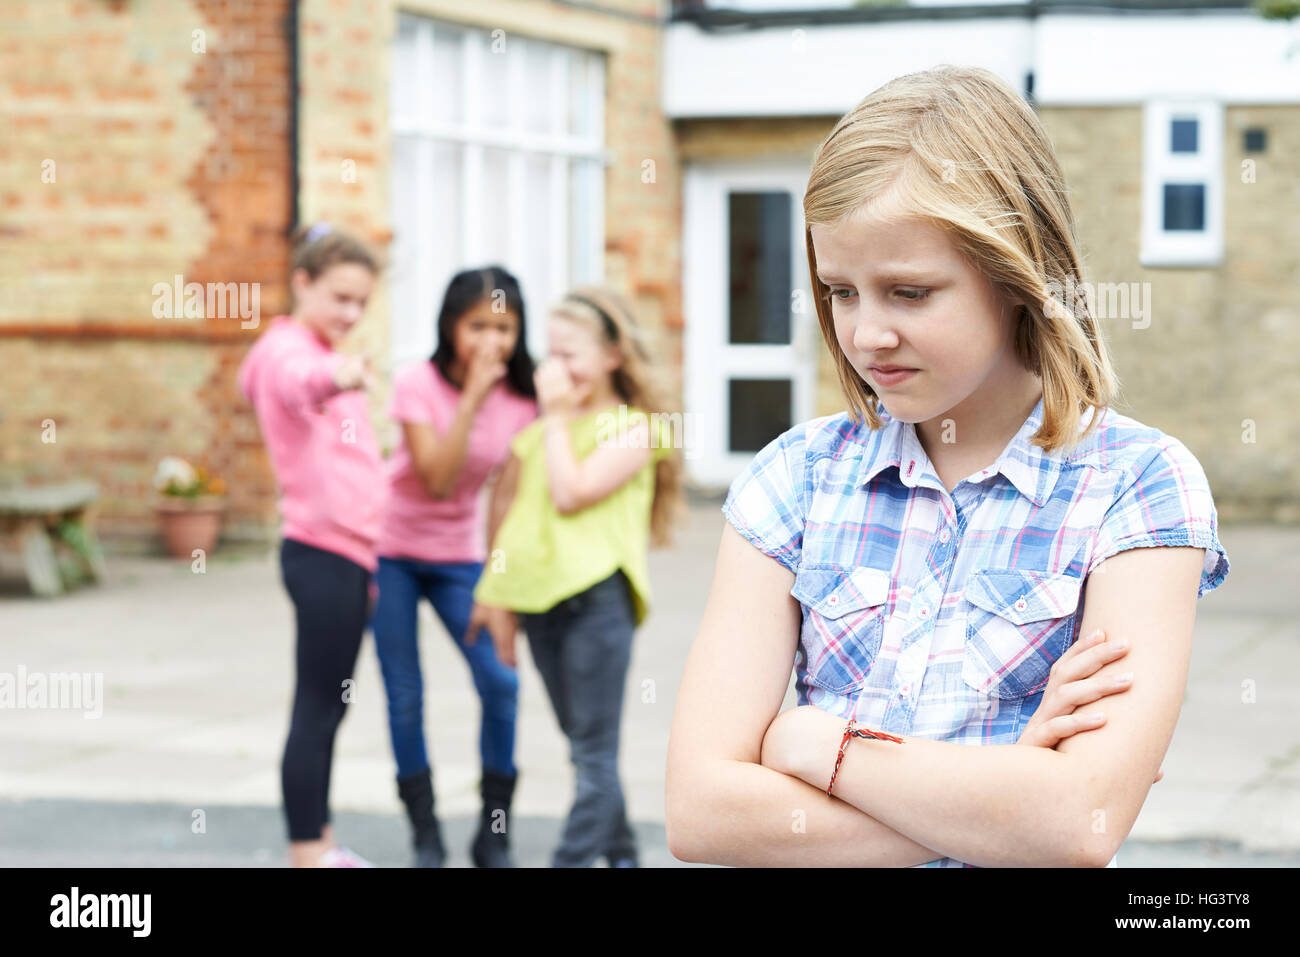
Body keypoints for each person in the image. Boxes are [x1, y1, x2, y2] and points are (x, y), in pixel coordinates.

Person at [664, 65, 1231, 868]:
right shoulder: (792, 479)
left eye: (909, 292)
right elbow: (701, 812)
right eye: (840, 292)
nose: (865, 335)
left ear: (1017, 273)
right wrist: (1002, 801)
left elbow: (1081, 825)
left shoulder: (1138, 487)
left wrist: (818, 745)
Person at [471, 285, 685, 867]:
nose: (556, 369)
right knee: (585, 750)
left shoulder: (639, 428)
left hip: (597, 602)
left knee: (592, 754)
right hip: (540, 603)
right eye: (551, 354)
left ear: (613, 355)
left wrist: (558, 418)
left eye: (571, 354)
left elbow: (572, 494)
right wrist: (494, 598)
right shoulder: (542, 434)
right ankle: (623, 857)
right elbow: (512, 519)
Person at [371, 266, 538, 867]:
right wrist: (470, 397)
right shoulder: (416, 383)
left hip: (459, 557)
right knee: (405, 694)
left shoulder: (525, 400)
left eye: (504, 327)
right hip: (388, 551)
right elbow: (439, 481)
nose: (491, 341)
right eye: (477, 326)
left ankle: (494, 833)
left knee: (500, 681)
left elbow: (510, 498)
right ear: (450, 327)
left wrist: (502, 584)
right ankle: (425, 834)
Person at [237, 222, 385, 868]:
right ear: (303, 282)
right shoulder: (289, 354)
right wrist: (340, 374)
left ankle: (320, 842)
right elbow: (302, 380)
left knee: (329, 706)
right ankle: (308, 851)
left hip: (350, 554)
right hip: (321, 551)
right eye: (340, 297)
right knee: (318, 706)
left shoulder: (317, 349)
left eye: (362, 302)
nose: (351, 314)